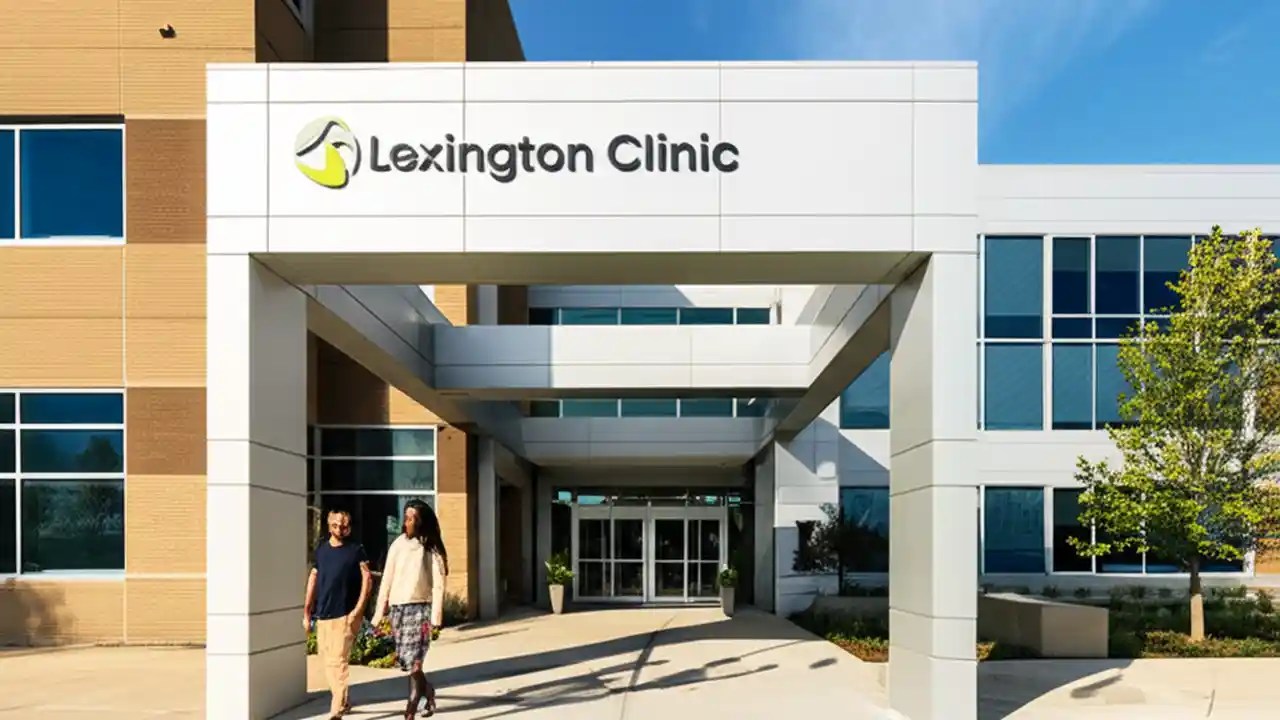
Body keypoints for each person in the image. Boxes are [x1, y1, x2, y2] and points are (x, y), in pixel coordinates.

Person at [372, 499, 448, 719]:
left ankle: (410, 710)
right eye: (405, 518)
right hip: (398, 611)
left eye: (412, 518)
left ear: (421, 521)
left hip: (420, 610)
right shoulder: (397, 545)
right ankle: (428, 691)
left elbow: (439, 583)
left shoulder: (430, 547)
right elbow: (386, 580)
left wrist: (436, 618)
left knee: (415, 662)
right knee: (407, 663)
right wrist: (379, 614)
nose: (407, 522)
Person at [303, 509, 372, 720]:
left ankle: (336, 708)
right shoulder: (322, 552)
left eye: (344, 526)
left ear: (349, 526)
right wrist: (307, 611)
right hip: (323, 615)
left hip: (345, 614)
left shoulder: (356, 551)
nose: (340, 529)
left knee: (338, 662)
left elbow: (367, 580)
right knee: (328, 662)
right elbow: (313, 580)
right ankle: (345, 699)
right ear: (329, 525)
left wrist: (357, 611)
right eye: (336, 525)